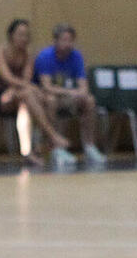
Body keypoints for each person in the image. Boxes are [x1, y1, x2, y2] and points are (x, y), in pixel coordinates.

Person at [0, 18, 70, 165]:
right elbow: (8, 78)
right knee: (28, 94)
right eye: (20, 34)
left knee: (46, 100)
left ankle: (37, 149)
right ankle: (52, 135)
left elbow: (26, 80)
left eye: (26, 35)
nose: (24, 38)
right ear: (11, 35)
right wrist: (28, 88)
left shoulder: (28, 55)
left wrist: (27, 89)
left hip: (18, 95)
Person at [31, 24, 105, 169]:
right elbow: (46, 87)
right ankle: (55, 148)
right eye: (63, 40)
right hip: (46, 97)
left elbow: (83, 86)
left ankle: (89, 146)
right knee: (51, 101)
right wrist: (71, 92)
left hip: (68, 96)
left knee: (89, 100)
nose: (67, 43)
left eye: (70, 40)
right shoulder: (45, 56)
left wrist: (78, 94)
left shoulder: (76, 56)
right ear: (55, 41)